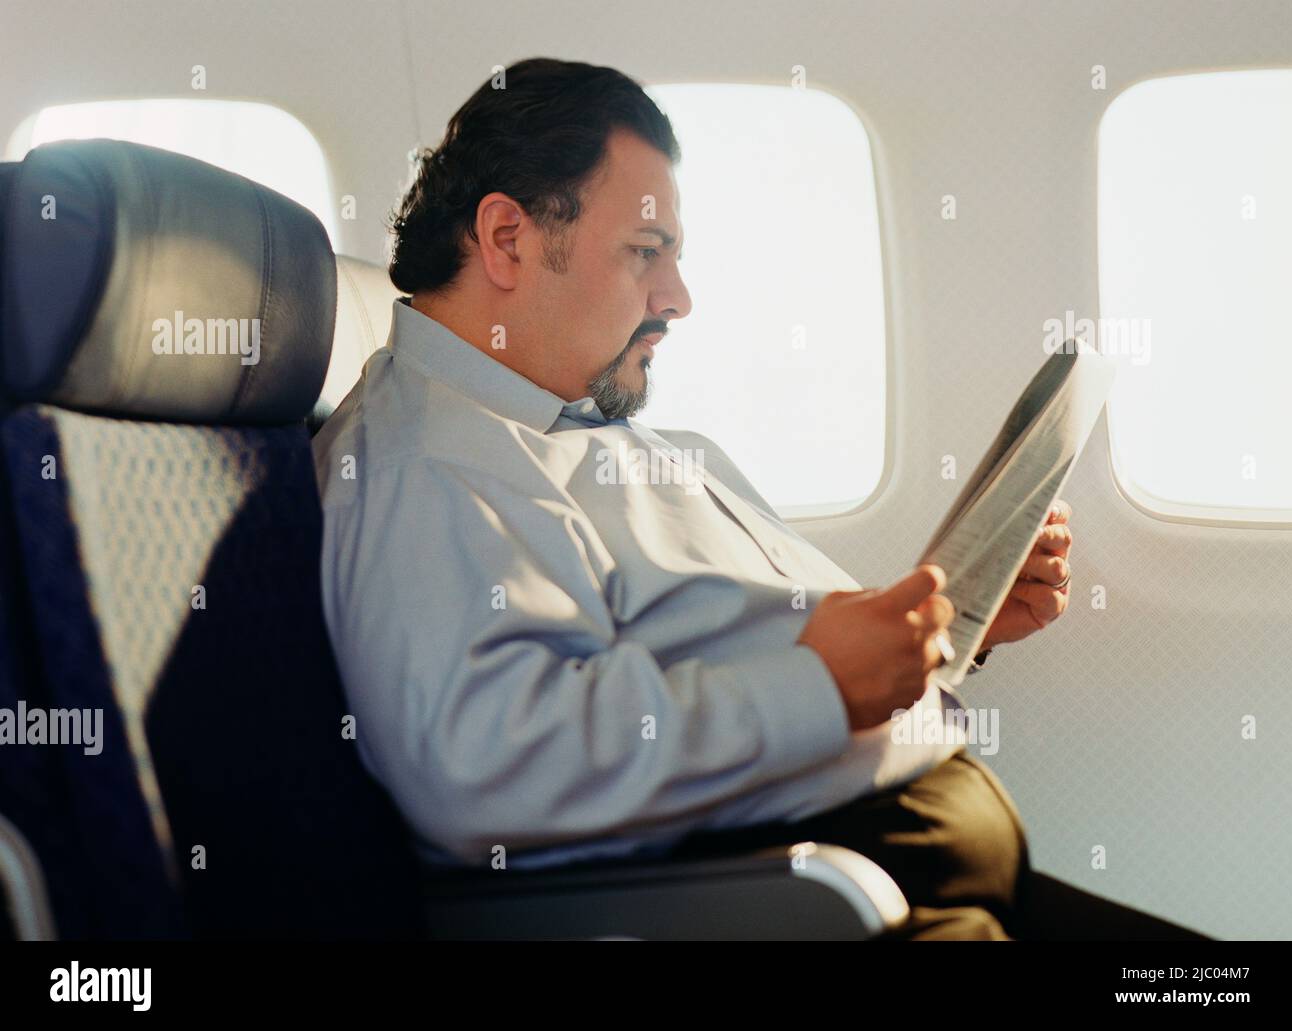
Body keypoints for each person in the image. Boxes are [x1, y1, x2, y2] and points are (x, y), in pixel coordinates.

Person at [313, 57, 1208, 940]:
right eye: (646, 254)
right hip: (810, 900)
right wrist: (818, 682)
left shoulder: (573, 426)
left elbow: (715, 644)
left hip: (918, 871)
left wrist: (938, 635)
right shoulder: (425, 463)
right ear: (507, 238)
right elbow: (485, 769)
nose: (679, 297)